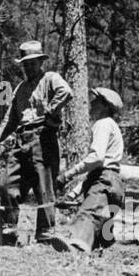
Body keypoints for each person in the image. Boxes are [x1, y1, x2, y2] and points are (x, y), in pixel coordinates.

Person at [0, 40, 73, 244]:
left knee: (44, 187)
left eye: (33, 63)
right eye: (26, 63)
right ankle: (10, 230)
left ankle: (45, 235)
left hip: (43, 137)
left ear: (40, 62)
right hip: (21, 139)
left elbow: (66, 92)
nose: (29, 67)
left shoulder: (50, 78)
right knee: (7, 184)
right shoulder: (20, 89)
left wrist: (50, 110)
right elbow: (10, 120)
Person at [49, 88, 126, 254]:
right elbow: (97, 173)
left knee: (88, 214)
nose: (91, 104)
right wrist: (72, 195)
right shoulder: (112, 126)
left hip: (105, 182)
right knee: (101, 223)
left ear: (105, 106)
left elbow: (97, 159)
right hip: (112, 183)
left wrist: (67, 175)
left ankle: (77, 248)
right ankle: (104, 249)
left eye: (96, 101)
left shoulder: (103, 124)